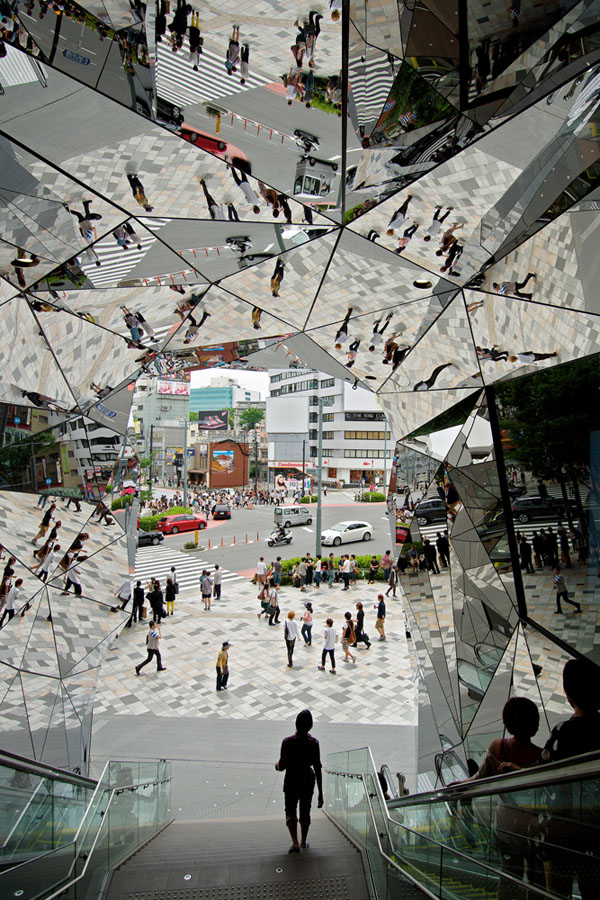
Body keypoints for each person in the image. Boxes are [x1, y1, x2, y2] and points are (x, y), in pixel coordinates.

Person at [463, 697, 544, 900]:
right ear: (534, 725)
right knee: (537, 881)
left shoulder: (499, 747)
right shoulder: (542, 757)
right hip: (535, 829)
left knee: (509, 875)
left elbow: (478, 779)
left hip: (506, 826)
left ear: (507, 723)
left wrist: (460, 785)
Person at [540, 659, 600, 899]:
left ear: (569, 693)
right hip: (596, 833)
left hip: (563, 834)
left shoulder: (563, 732)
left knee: (557, 892)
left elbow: (543, 770)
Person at [275, 709, 323, 853]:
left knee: (290, 810)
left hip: (291, 779)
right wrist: (321, 793)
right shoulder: (314, 743)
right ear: (310, 726)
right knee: (305, 810)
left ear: (296, 724)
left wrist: (277, 766)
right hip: (307, 780)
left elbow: (282, 765)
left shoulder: (287, 742)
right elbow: (317, 767)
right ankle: (303, 841)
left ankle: (295, 843)